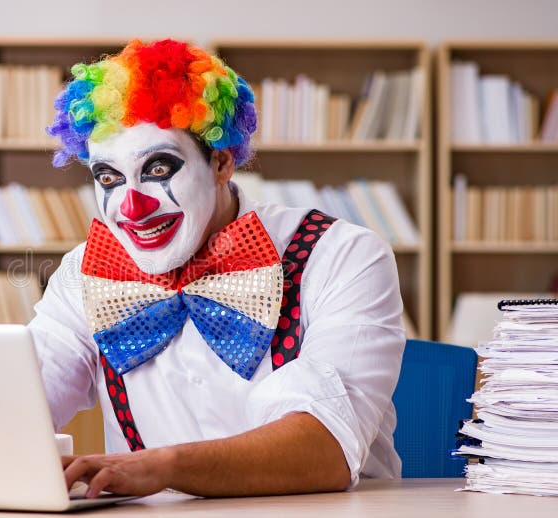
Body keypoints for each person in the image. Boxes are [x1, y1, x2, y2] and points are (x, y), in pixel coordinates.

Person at [32, 38, 405, 498]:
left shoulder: (341, 257)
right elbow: (14, 407)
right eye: (109, 178)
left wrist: (163, 467)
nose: (131, 207)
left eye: (158, 169)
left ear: (222, 162)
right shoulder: (84, 275)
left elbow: (325, 449)